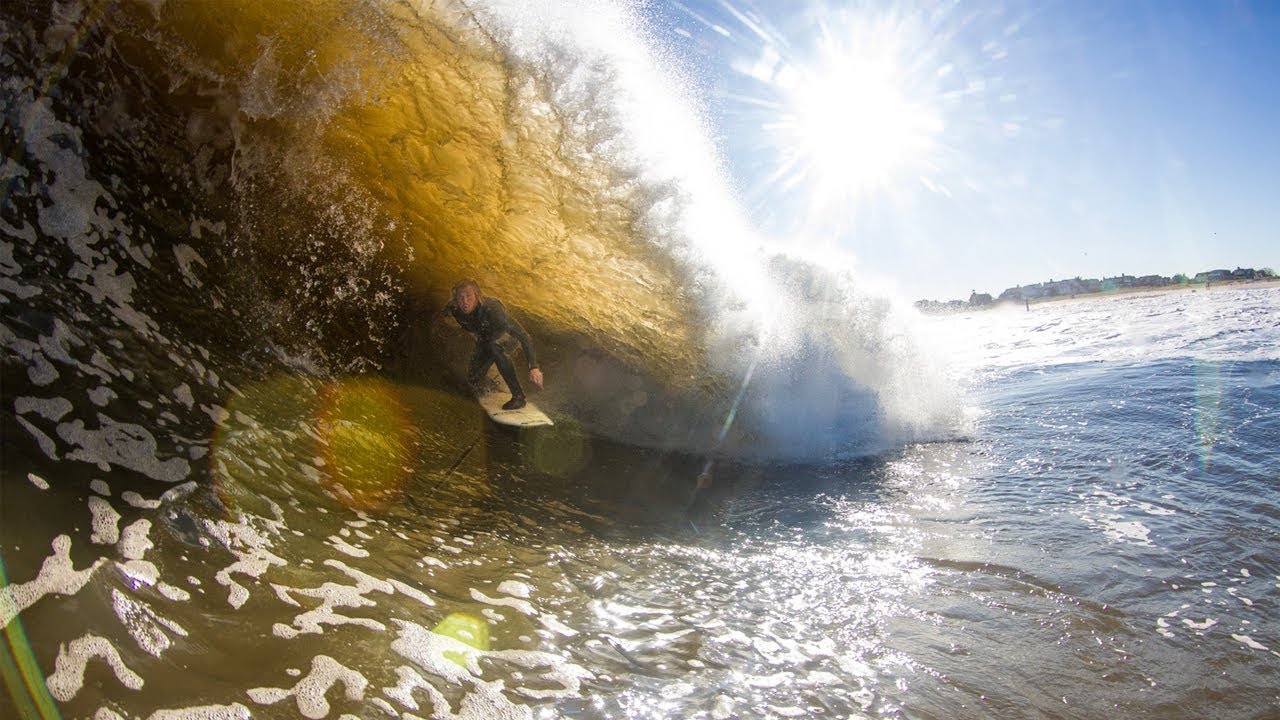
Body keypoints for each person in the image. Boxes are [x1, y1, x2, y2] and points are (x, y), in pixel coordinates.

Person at [435, 280, 543, 410]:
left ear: (477, 296)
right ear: (456, 299)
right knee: (473, 378)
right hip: (485, 341)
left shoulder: (493, 310)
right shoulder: (454, 307)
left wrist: (534, 367)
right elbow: (440, 317)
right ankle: (492, 384)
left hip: (507, 339)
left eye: (469, 296)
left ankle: (519, 397)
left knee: (495, 349)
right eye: (460, 297)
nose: (465, 301)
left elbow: (524, 336)